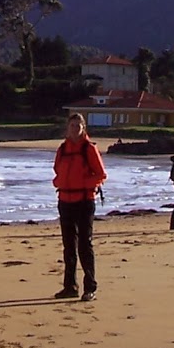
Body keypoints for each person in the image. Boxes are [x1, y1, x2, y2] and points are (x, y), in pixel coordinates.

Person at [52, 112, 107, 301]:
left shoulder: (89, 148)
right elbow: (57, 169)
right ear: (67, 128)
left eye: (78, 126)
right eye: (72, 125)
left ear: (83, 128)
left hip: (84, 201)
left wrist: (84, 183)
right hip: (64, 200)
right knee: (69, 246)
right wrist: (59, 181)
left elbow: (101, 174)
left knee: (85, 244)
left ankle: (90, 287)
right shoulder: (62, 149)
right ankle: (70, 287)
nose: (75, 129)